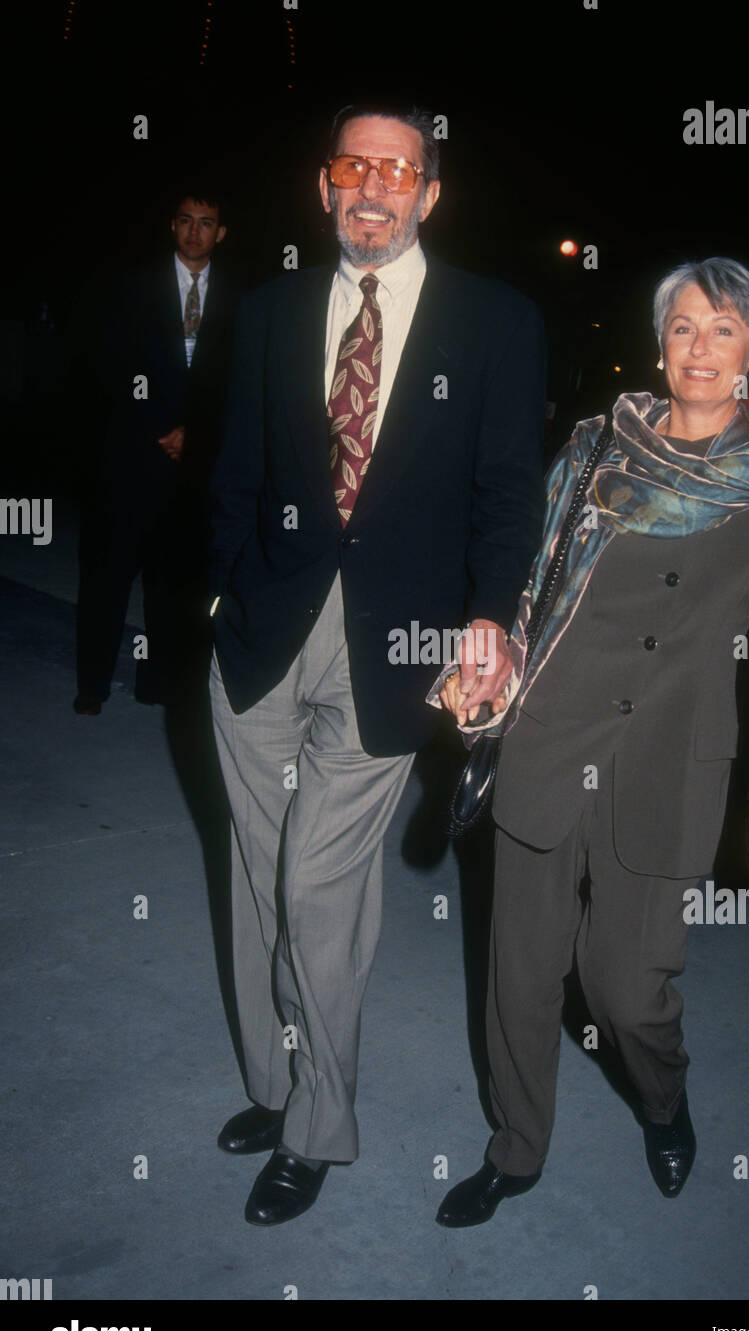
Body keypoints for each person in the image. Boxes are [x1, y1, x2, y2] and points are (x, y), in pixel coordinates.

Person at [208, 103, 546, 1225]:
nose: (372, 186)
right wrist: (214, 595)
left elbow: (508, 495)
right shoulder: (265, 312)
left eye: (396, 170)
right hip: (259, 633)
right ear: (323, 184)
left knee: (318, 888)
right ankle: (273, 1080)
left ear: (429, 195)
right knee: (256, 880)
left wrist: (486, 624)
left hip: (391, 648)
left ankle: (317, 1125)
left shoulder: (494, 321)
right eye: (352, 165)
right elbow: (234, 474)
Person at [431, 257, 749, 1225]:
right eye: (682, 327)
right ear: (660, 344)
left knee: (625, 988)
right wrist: (486, 667)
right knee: (518, 975)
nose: (698, 347)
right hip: (551, 739)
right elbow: (528, 586)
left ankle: (662, 1099)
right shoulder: (594, 449)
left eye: (721, 330)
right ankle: (514, 1149)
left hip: (665, 761)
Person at [73, 191, 238, 713]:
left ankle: (155, 684)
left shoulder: (241, 297)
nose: (195, 231)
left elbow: (239, 380)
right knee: (108, 578)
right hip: (129, 458)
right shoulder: (133, 287)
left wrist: (198, 433)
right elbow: (108, 366)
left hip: (194, 470)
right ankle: (92, 687)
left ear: (221, 233)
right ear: (172, 226)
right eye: (186, 221)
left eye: (206, 223)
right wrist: (159, 427)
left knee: (174, 586)